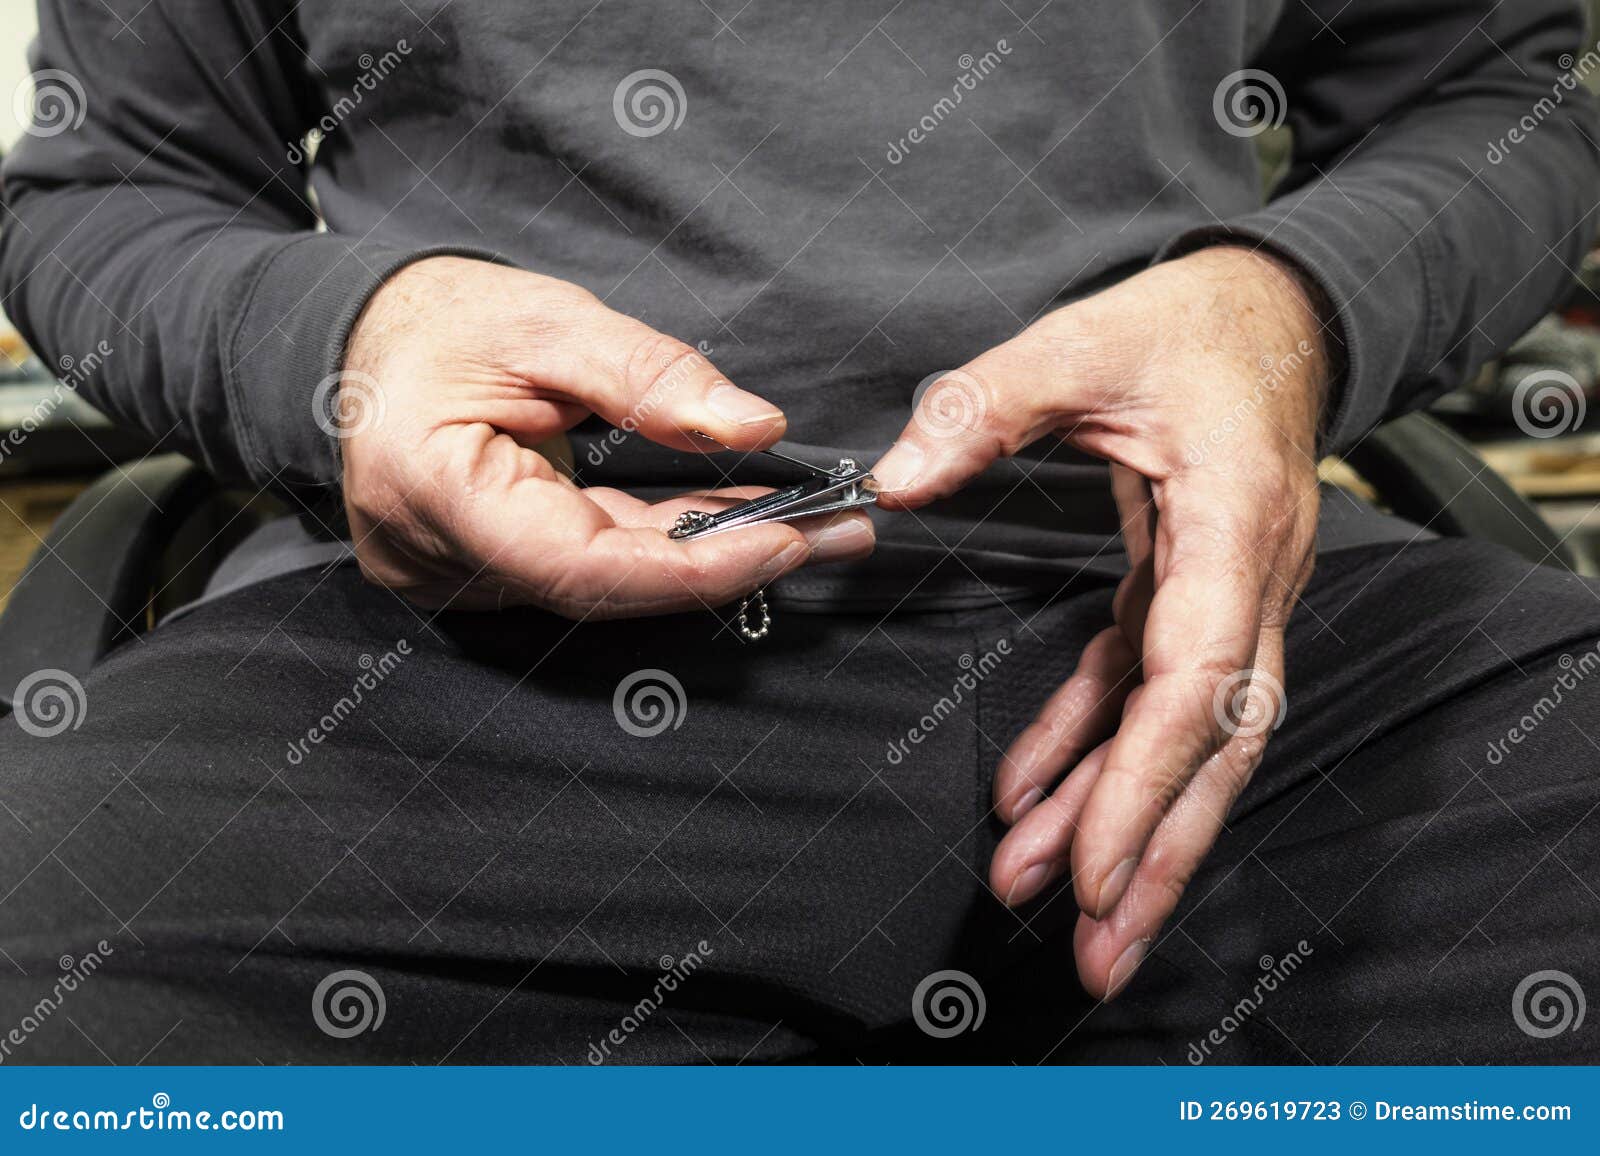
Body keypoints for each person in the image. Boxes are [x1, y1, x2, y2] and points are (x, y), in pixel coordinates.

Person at [0, 0, 1597, 1064]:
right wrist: (347, 348)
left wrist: (1288, 313)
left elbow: (1504, 95)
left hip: (1189, 636)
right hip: (428, 672)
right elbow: (104, 188)